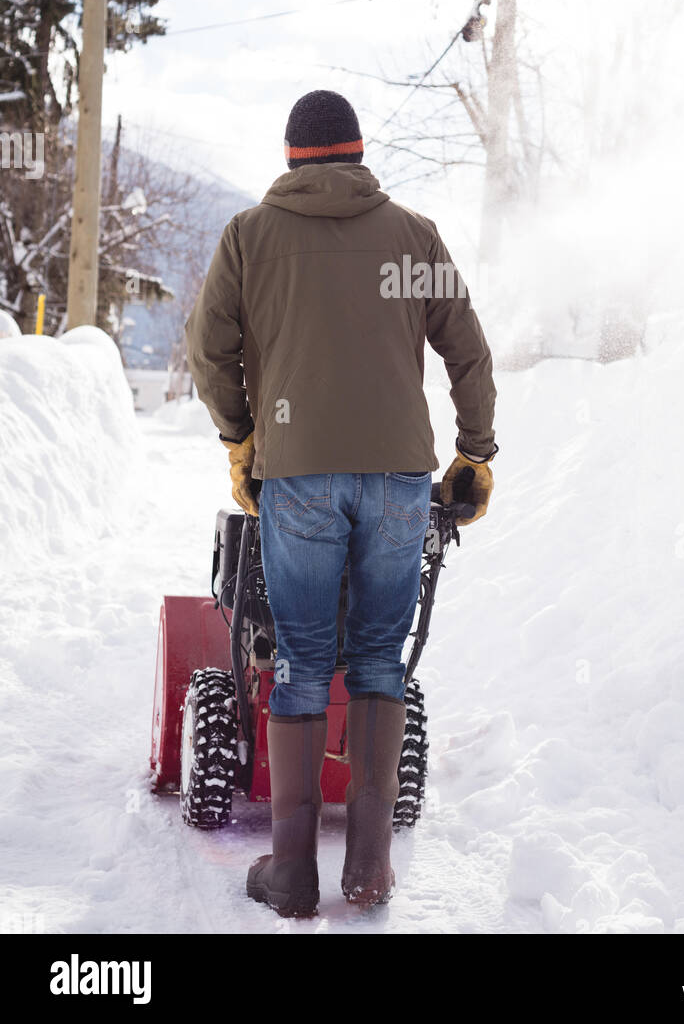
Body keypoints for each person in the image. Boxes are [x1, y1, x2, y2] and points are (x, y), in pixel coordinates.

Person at [185, 90, 497, 917]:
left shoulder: (249, 236)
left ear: (291, 157)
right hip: (398, 477)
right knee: (378, 659)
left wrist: (241, 437)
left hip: (299, 476)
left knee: (298, 658)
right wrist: (474, 453)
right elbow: (467, 349)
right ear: (358, 154)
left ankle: (291, 876)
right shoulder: (413, 236)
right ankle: (368, 871)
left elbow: (207, 349)